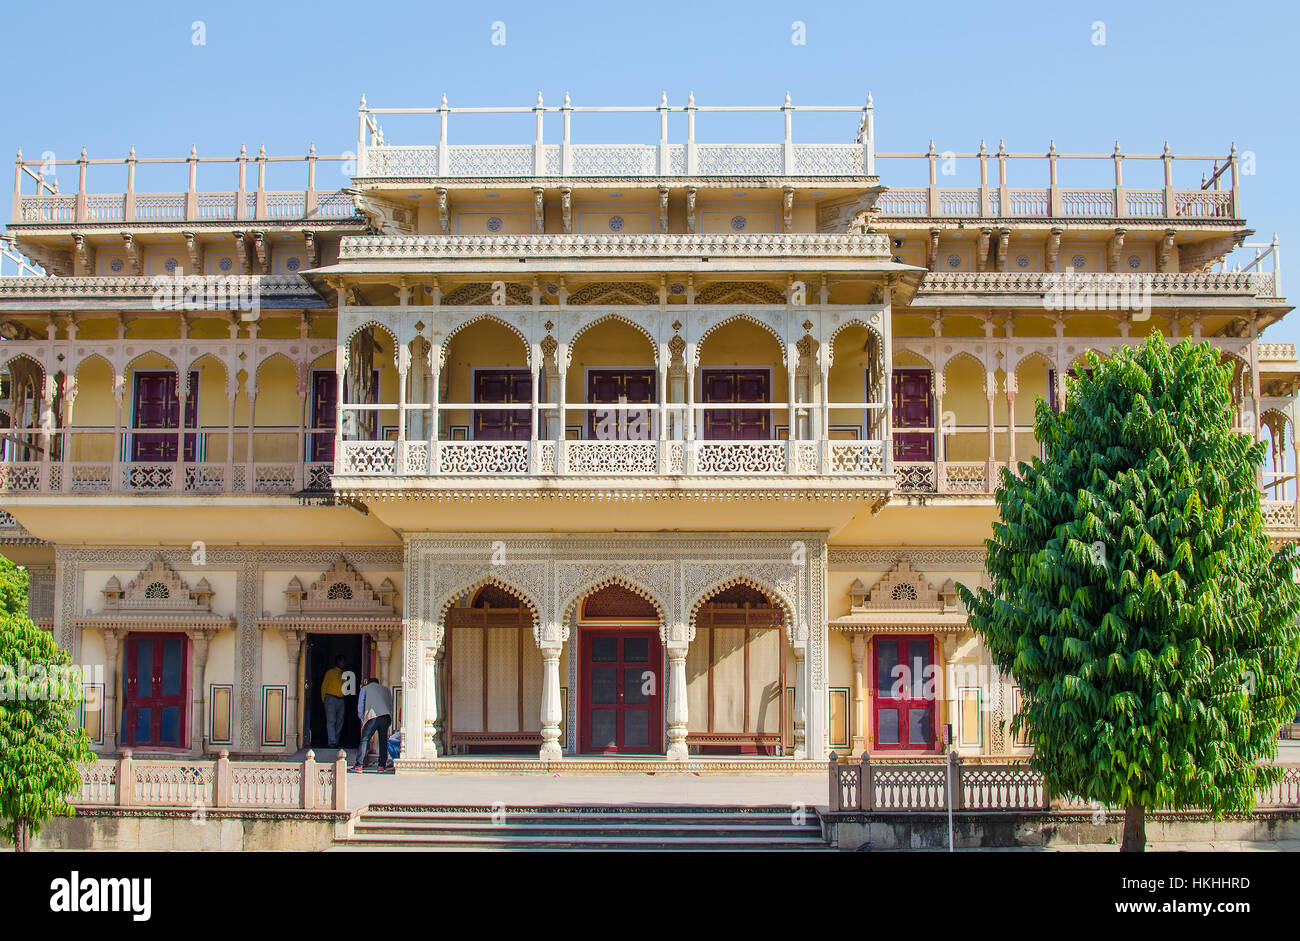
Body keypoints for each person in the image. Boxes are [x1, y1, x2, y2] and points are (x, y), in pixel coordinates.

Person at [354, 676, 393, 773]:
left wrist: (363, 719)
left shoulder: (365, 689)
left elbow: (361, 704)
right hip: (385, 716)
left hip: (372, 717)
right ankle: (381, 766)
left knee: (365, 739)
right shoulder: (385, 689)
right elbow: (390, 704)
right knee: (383, 741)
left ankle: (359, 765)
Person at [320, 654, 348, 749]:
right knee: (331, 721)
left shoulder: (344, 675)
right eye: (342, 661)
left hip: (341, 699)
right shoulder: (330, 672)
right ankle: (332, 742)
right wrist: (324, 700)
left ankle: (336, 740)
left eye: (344, 662)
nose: (343, 664)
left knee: (340, 721)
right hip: (331, 698)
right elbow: (324, 686)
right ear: (338, 662)